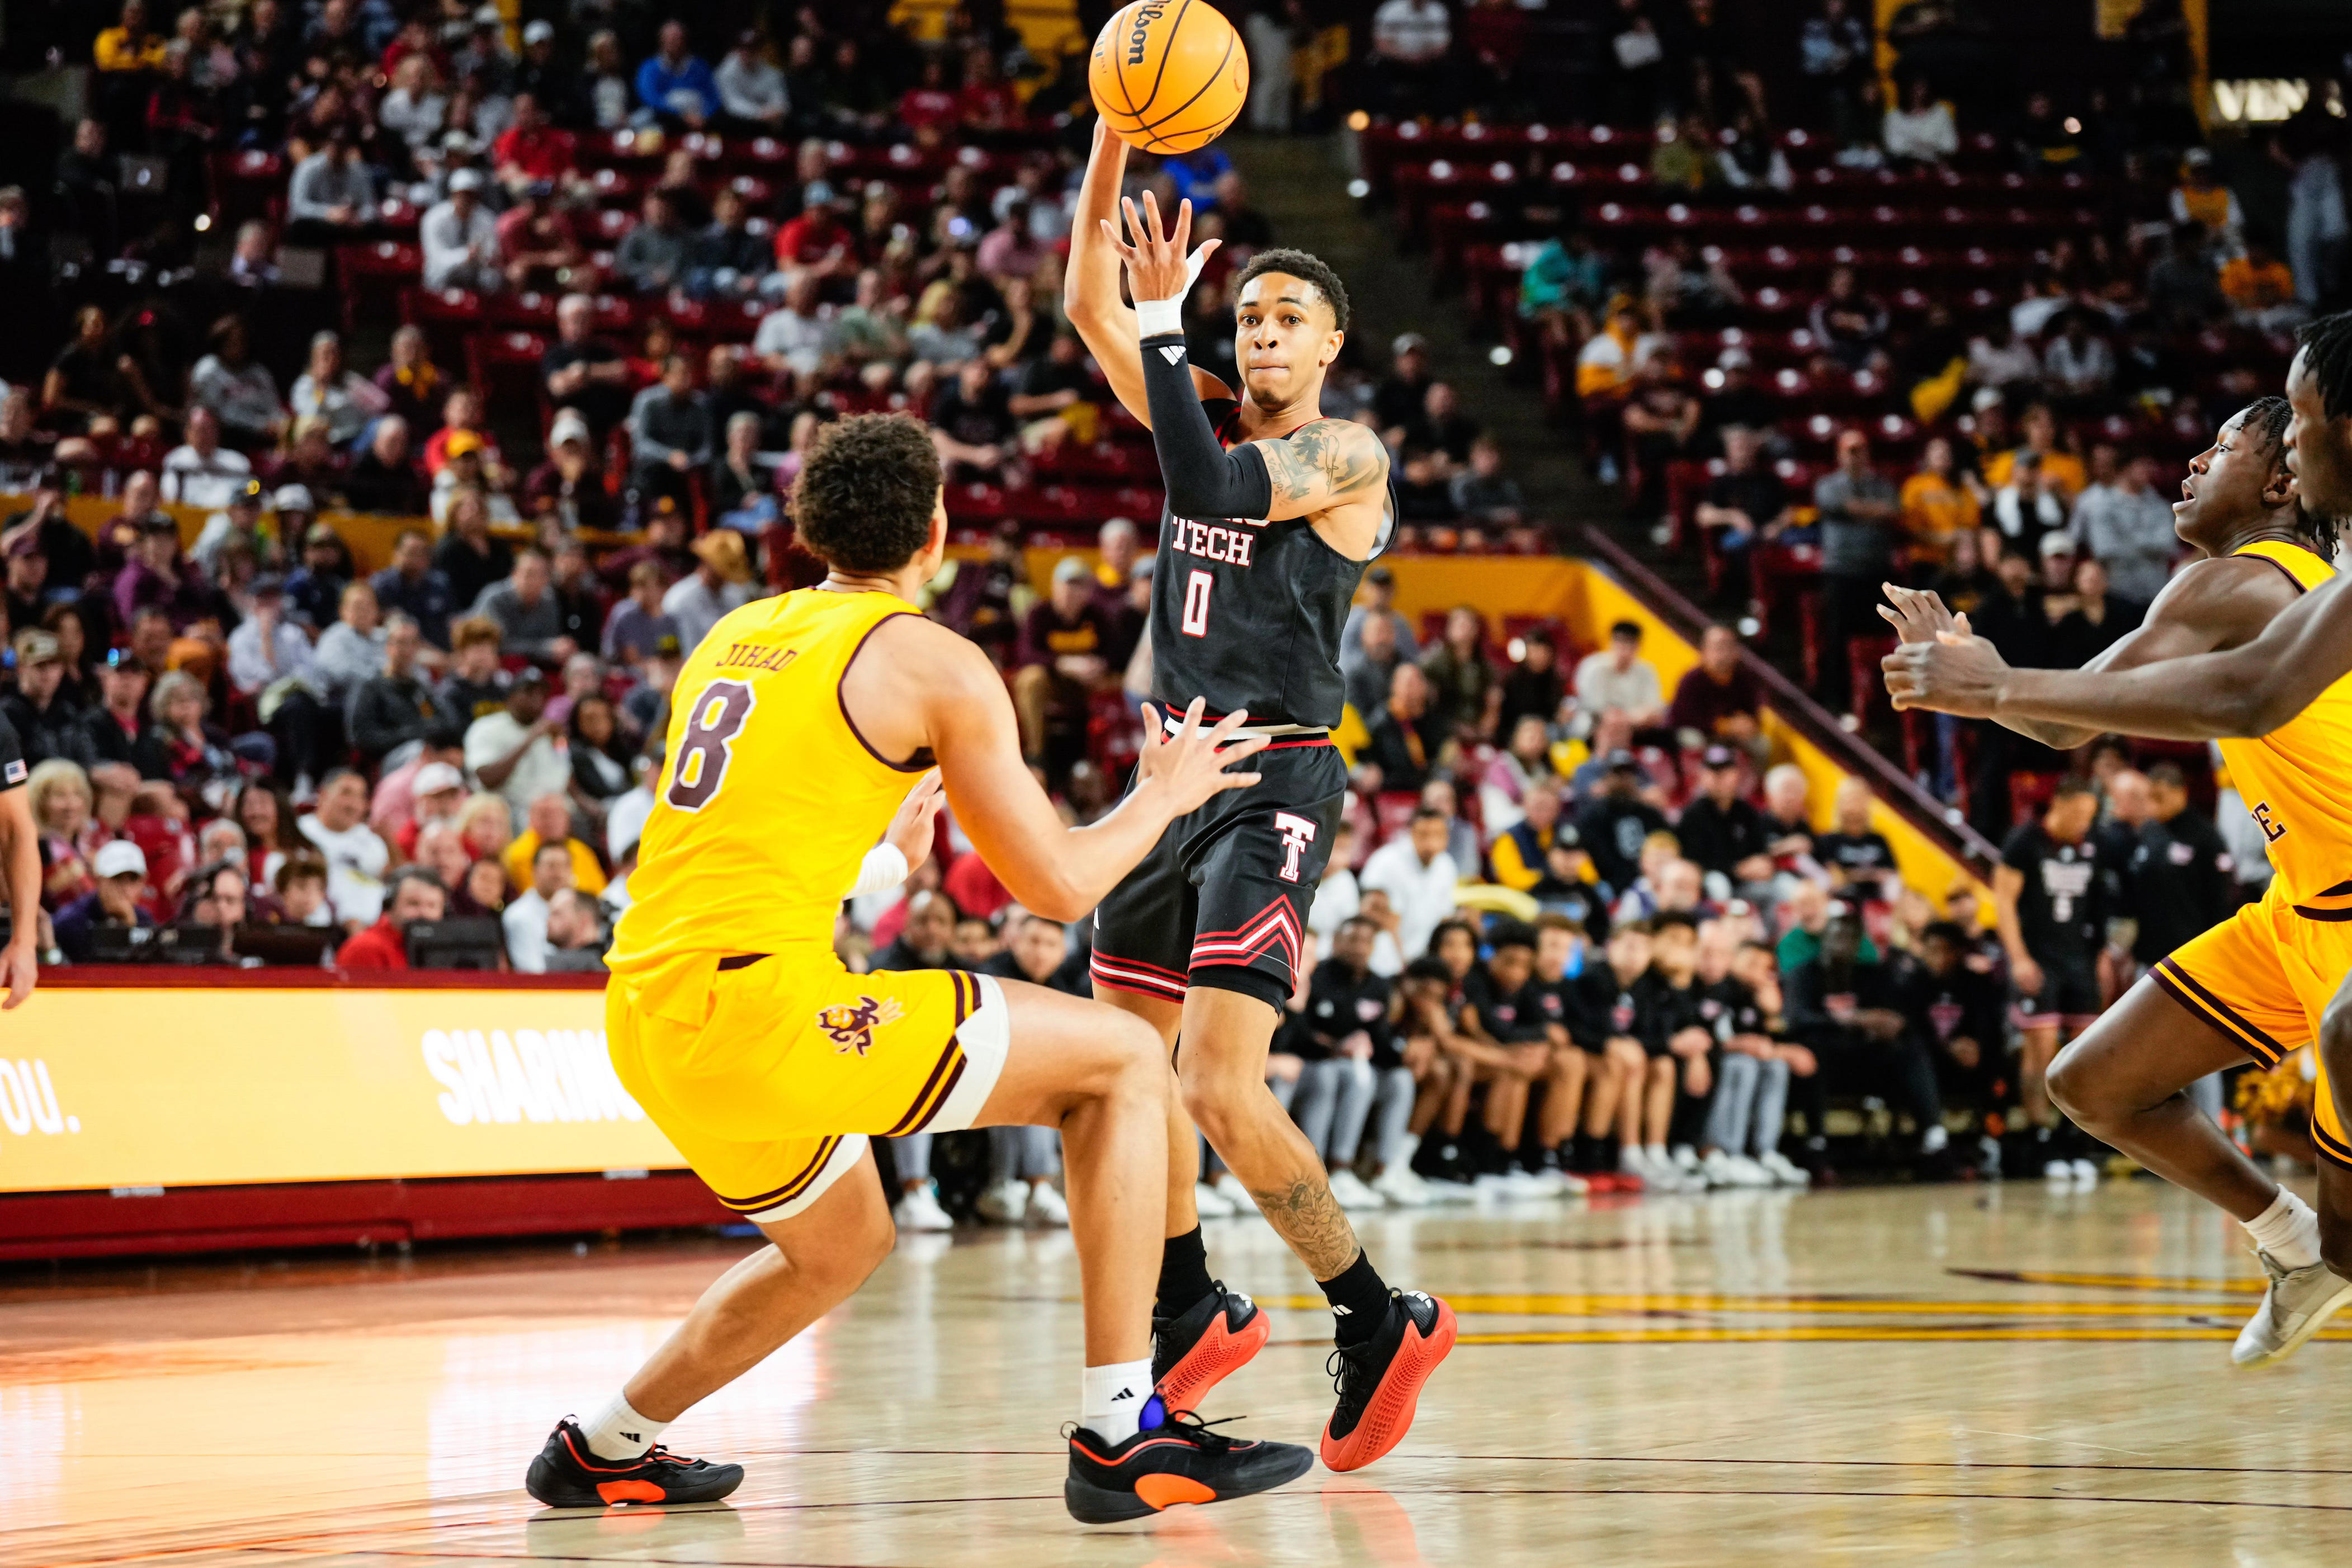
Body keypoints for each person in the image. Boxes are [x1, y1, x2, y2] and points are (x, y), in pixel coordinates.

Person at [525, 412, 1314, 1521]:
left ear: (804, 534)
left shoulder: (735, 638)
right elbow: (1058, 887)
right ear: (937, 531)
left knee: (839, 1244)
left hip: (647, 1010)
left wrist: (882, 869)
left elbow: (735, 854)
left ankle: (604, 1444)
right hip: (763, 1013)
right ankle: (1123, 1430)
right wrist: (1167, 794)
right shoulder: (937, 663)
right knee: (1126, 1061)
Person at [1067, 141, 1452, 1472]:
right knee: (1126, 1074)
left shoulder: (1344, 455)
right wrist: (1114, 140)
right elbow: (1082, 310)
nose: (1267, 333)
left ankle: (1374, 1312)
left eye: (1288, 318)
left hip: (1270, 776)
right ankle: (1189, 1303)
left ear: (1332, 342)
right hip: (1165, 778)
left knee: (1216, 1084)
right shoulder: (1199, 407)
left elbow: (1212, 489)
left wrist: (1170, 328)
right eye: (1252, 318)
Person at [336, 865, 445, 971]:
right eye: (413, 904)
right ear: (390, 905)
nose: (423, 913)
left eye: (432, 906)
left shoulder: (445, 950)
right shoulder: (364, 949)